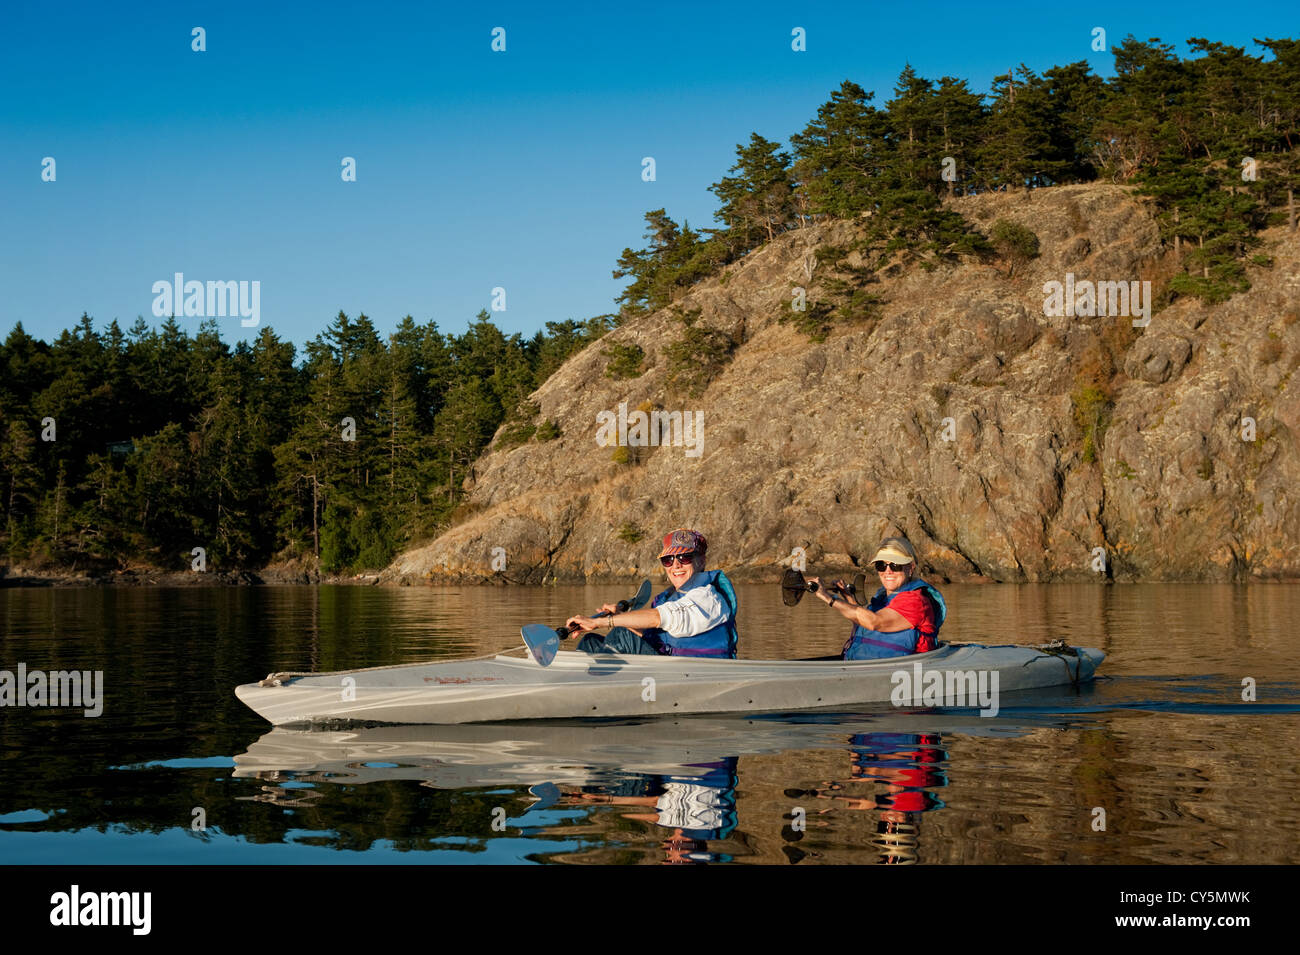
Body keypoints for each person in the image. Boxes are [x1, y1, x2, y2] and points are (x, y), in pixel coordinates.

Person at [567, 528, 739, 658]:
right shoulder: (673, 597)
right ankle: (574, 685)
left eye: (684, 558)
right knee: (591, 642)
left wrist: (601, 622)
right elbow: (656, 635)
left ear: (701, 561)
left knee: (622, 635)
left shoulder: (708, 598)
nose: (676, 566)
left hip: (696, 676)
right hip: (672, 667)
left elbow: (658, 618)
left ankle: (595, 690)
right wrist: (621, 616)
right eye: (668, 560)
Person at [808, 537, 946, 660]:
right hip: (868, 668)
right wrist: (849, 599)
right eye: (881, 565)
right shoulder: (883, 598)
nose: (888, 571)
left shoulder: (916, 601)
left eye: (895, 565)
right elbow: (864, 623)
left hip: (905, 672)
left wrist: (828, 598)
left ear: (910, 568)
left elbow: (874, 622)